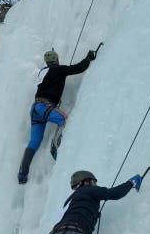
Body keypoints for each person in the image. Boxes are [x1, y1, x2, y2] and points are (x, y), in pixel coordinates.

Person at [17, 48, 97, 184]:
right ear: (56, 60)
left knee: (34, 142)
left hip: (36, 109)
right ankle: (55, 146)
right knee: (63, 120)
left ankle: (22, 174)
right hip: (45, 107)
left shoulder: (43, 72)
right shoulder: (59, 70)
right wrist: (88, 58)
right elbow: (79, 68)